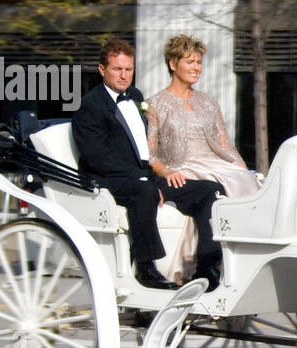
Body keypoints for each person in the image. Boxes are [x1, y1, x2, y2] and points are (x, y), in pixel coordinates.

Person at [71, 38, 223, 292]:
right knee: (145, 192)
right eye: (117, 69)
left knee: (208, 189)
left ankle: (206, 265)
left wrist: (158, 173)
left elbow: (146, 146)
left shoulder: (135, 96)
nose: (124, 75)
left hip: (144, 174)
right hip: (109, 179)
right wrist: (143, 179)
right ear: (102, 70)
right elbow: (97, 157)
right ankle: (146, 268)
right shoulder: (90, 106)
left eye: (128, 69)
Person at [145, 34, 260, 284]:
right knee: (216, 189)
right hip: (180, 168)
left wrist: (241, 166)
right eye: (190, 62)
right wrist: (165, 172)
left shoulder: (209, 102)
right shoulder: (155, 104)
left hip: (213, 163)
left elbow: (223, 143)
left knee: (247, 181)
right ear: (172, 64)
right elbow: (150, 153)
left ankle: (248, 258)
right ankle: (208, 263)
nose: (196, 67)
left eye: (199, 62)